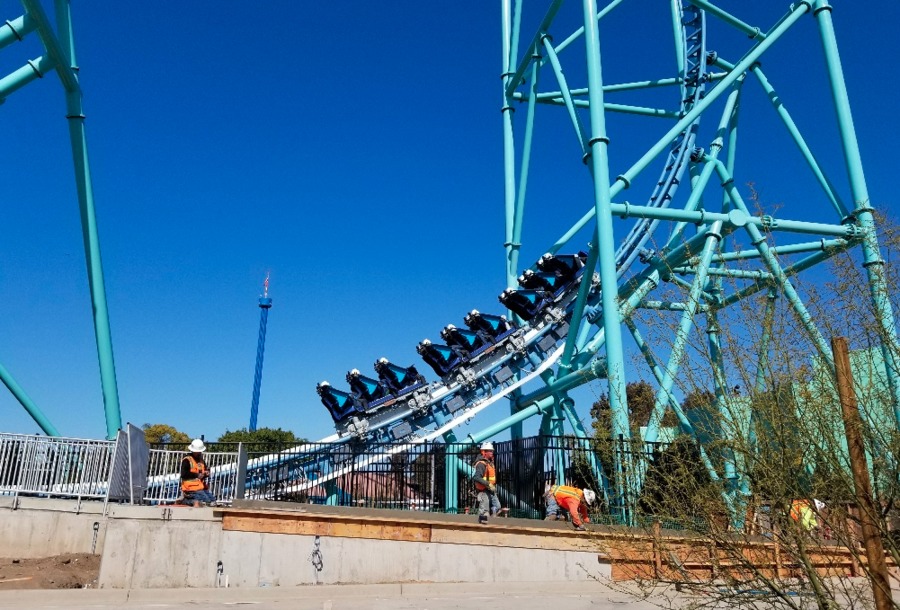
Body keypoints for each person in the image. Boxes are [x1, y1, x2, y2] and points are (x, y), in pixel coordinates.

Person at [180, 438, 215, 507]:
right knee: (206, 501)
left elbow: (204, 470)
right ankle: (185, 501)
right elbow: (184, 474)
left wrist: (206, 473)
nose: (199, 453)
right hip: (190, 488)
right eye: (197, 451)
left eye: (200, 451)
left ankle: (191, 500)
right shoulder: (187, 460)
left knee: (212, 501)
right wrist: (197, 475)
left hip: (201, 487)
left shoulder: (201, 460)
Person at [472, 441, 501, 524]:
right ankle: (481, 526)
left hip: (489, 489)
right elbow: (477, 477)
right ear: (484, 452)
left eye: (492, 451)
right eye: (490, 451)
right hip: (483, 490)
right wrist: (488, 484)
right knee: (484, 510)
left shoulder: (489, 463)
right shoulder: (481, 464)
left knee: (497, 507)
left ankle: (491, 521)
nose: (492, 452)